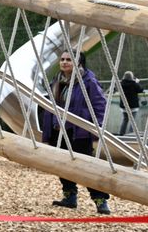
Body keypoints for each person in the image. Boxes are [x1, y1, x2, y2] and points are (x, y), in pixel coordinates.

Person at [39, 50, 111, 214]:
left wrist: (96, 126)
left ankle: (100, 200)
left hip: (78, 130)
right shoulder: (57, 80)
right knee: (62, 164)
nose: (64, 62)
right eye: (62, 59)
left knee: (86, 166)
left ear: (79, 63)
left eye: (69, 60)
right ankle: (69, 196)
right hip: (59, 129)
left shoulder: (88, 81)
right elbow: (52, 104)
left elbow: (99, 104)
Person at [118, 70, 144, 135]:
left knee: (125, 120)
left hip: (124, 106)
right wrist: (137, 82)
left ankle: (121, 133)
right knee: (133, 121)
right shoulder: (134, 84)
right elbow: (140, 90)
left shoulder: (121, 84)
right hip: (133, 106)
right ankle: (130, 134)